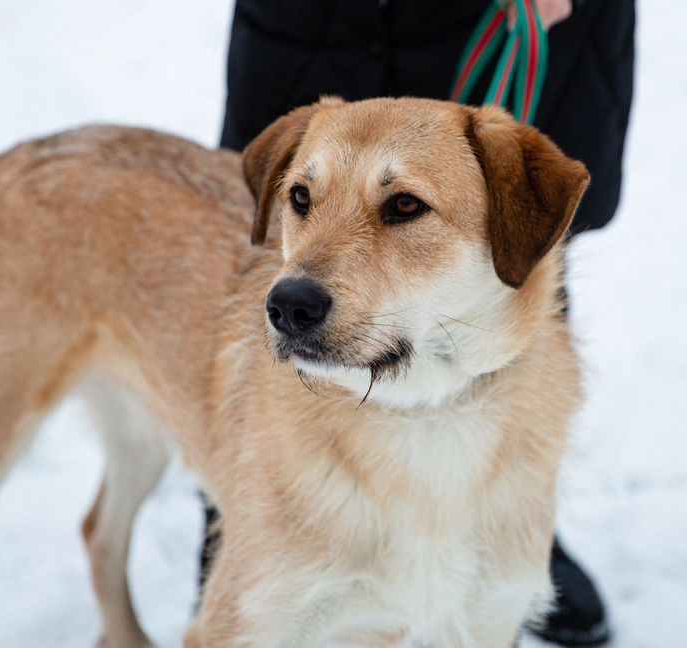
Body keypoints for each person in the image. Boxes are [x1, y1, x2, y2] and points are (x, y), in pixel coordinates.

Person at [199, 1, 635, 646]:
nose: (297, 289)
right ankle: (245, 514)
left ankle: (500, 520)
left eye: (402, 207)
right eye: (302, 199)